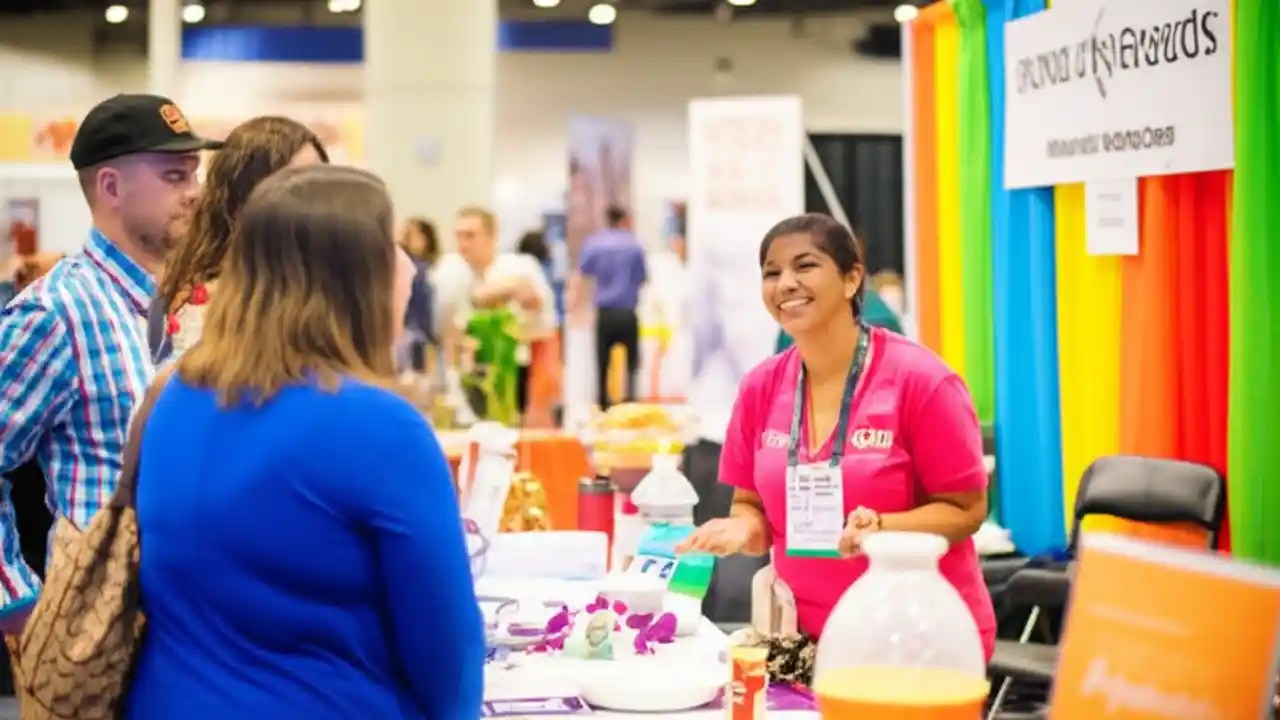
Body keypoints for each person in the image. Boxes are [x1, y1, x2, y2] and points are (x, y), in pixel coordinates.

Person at [124, 165, 483, 720]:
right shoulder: (380, 429)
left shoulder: (174, 399)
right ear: (353, 276)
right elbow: (449, 664)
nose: (408, 264)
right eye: (389, 245)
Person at [677, 213, 995, 659]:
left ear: (851, 279)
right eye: (771, 272)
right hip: (803, 640)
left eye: (804, 266)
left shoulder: (921, 381)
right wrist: (739, 527)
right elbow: (751, 508)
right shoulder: (759, 387)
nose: (785, 282)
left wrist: (883, 528)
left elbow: (968, 510)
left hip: (917, 638)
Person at [0, 94, 217, 628]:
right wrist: (19, 603)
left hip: (198, 634)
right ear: (112, 187)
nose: (194, 193)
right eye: (173, 176)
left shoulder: (192, 304)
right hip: (100, 643)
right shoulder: (55, 313)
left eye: (194, 174)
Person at [150, 115, 329, 364]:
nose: (316, 202)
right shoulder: (197, 306)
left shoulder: (335, 294)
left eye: (321, 183)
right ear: (241, 203)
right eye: (295, 188)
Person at [432, 206, 554, 418]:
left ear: (492, 235)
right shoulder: (450, 274)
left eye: (470, 235)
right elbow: (448, 329)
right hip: (472, 375)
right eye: (459, 236)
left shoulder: (520, 267)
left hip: (519, 372)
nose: (463, 244)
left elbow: (535, 304)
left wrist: (506, 289)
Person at [570, 205, 647, 408]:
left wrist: (576, 307)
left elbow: (582, 276)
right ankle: (630, 405)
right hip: (627, 312)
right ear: (624, 220)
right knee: (631, 366)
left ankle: (604, 407)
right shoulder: (634, 245)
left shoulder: (595, 244)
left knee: (602, 365)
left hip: (604, 313)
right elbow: (643, 279)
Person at [397, 218, 440, 373]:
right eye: (408, 235)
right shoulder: (415, 271)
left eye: (416, 235)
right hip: (413, 335)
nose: (410, 240)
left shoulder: (432, 270)